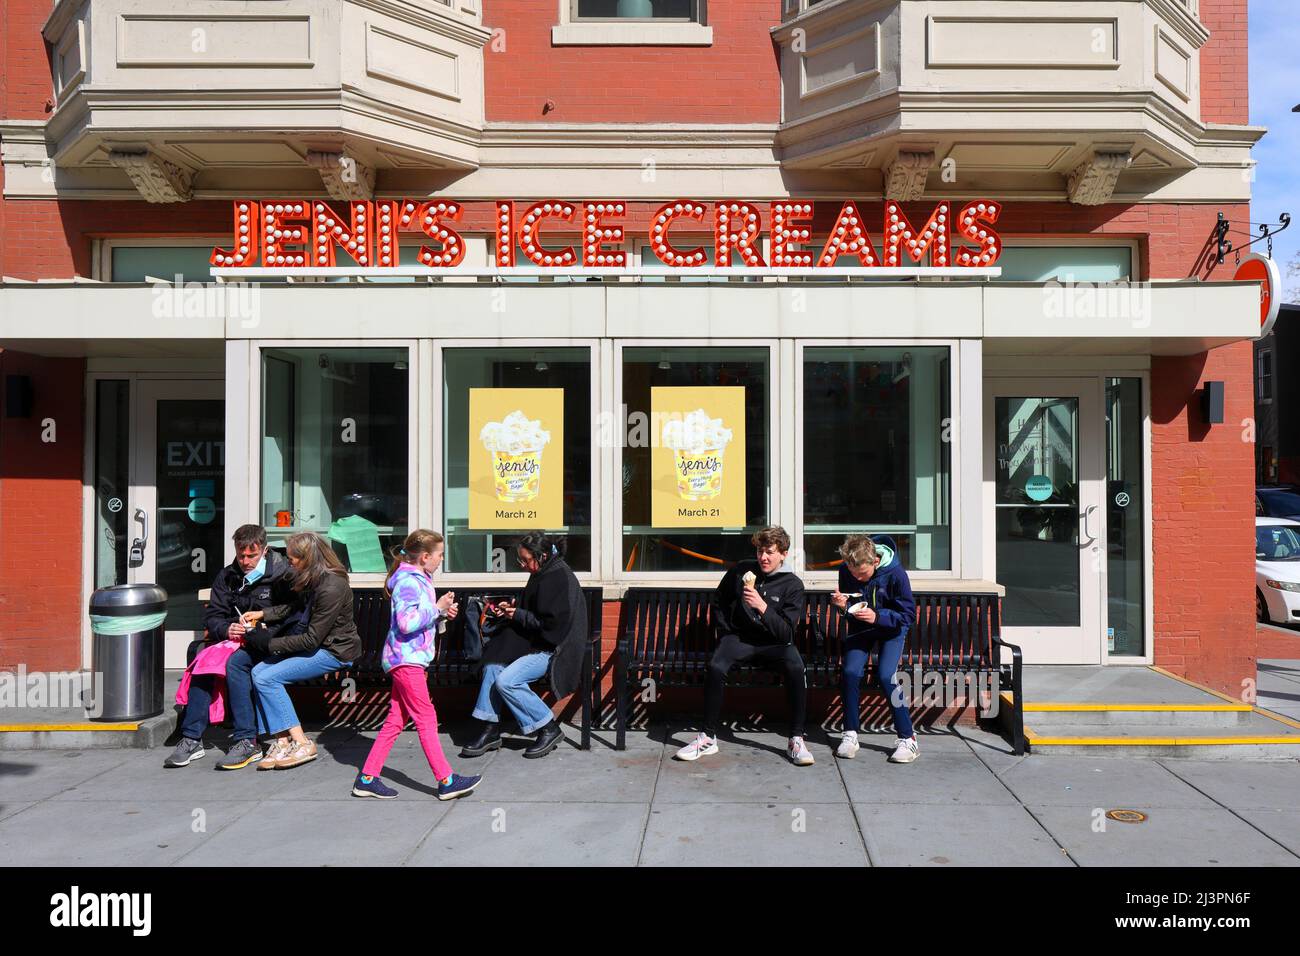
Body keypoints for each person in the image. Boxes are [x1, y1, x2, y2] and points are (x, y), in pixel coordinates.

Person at [352, 530, 482, 800]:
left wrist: (441, 613)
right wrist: (436, 608)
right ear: (425, 557)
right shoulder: (409, 582)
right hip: (406, 660)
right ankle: (446, 780)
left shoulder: (419, 577)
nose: (442, 559)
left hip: (407, 658)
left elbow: (419, 619)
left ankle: (367, 778)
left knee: (395, 720)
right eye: (439, 554)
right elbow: (406, 622)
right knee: (426, 717)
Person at [674, 526, 812, 766]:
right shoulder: (741, 571)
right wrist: (726, 631)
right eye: (760, 551)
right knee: (716, 666)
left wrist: (762, 606)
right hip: (740, 639)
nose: (763, 557)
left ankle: (796, 738)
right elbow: (719, 600)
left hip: (774, 644)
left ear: (783, 554)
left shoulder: (792, 585)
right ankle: (707, 737)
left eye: (769, 552)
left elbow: (786, 633)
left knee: (796, 667)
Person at [164, 524, 294, 770]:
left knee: (236, 664)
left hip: (271, 642)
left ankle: (247, 739)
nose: (245, 561)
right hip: (234, 641)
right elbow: (213, 617)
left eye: (251, 555)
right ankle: (192, 737)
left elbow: (291, 614)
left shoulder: (282, 574)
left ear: (264, 551)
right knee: (204, 661)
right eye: (240, 554)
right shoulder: (227, 576)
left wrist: (262, 626)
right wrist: (226, 629)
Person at [461, 532, 588, 760]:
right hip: (535, 642)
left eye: (525, 560)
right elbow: (535, 611)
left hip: (555, 650)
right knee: (492, 666)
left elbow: (552, 628)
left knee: (507, 681)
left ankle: (548, 727)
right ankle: (490, 730)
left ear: (543, 554)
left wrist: (517, 614)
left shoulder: (558, 578)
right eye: (519, 560)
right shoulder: (543, 571)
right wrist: (512, 609)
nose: (522, 565)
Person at [241, 531, 362, 769]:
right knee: (258, 672)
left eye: (293, 558)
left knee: (267, 678)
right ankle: (282, 742)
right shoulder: (314, 579)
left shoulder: (331, 587)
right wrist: (263, 614)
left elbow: (311, 640)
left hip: (335, 651)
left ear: (307, 558)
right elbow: (294, 608)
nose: (289, 562)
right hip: (320, 646)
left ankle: (301, 742)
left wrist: (267, 644)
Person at [831, 533, 918, 763]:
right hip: (861, 626)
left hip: (891, 629)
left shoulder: (896, 574)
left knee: (886, 674)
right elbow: (851, 601)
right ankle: (850, 733)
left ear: (876, 561)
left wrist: (877, 616)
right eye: (852, 573)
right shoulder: (846, 570)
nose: (857, 578)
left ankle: (908, 738)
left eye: (862, 574)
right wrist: (842, 606)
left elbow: (908, 615)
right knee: (850, 672)